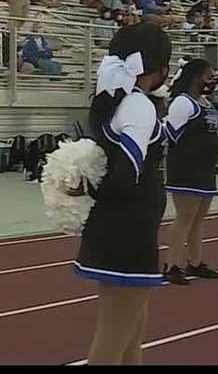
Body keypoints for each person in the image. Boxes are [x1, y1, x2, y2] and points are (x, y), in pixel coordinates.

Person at [73, 22, 172, 365]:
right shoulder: (139, 106)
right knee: (115, 332)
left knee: (131, 329)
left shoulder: (116, 101)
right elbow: (127, 174)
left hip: (118, 224)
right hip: (130, 229)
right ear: (158, 65)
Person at [161, 59, 218, 285]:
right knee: (185, 217)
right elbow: (171, 135)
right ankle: (172, 264)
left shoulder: (206, 103)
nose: (212, 81)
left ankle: (195, 262)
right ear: (195, 77)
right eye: (208, 76)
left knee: (199, 219)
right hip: (186, 169)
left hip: (206, 170)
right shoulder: (183, 103)